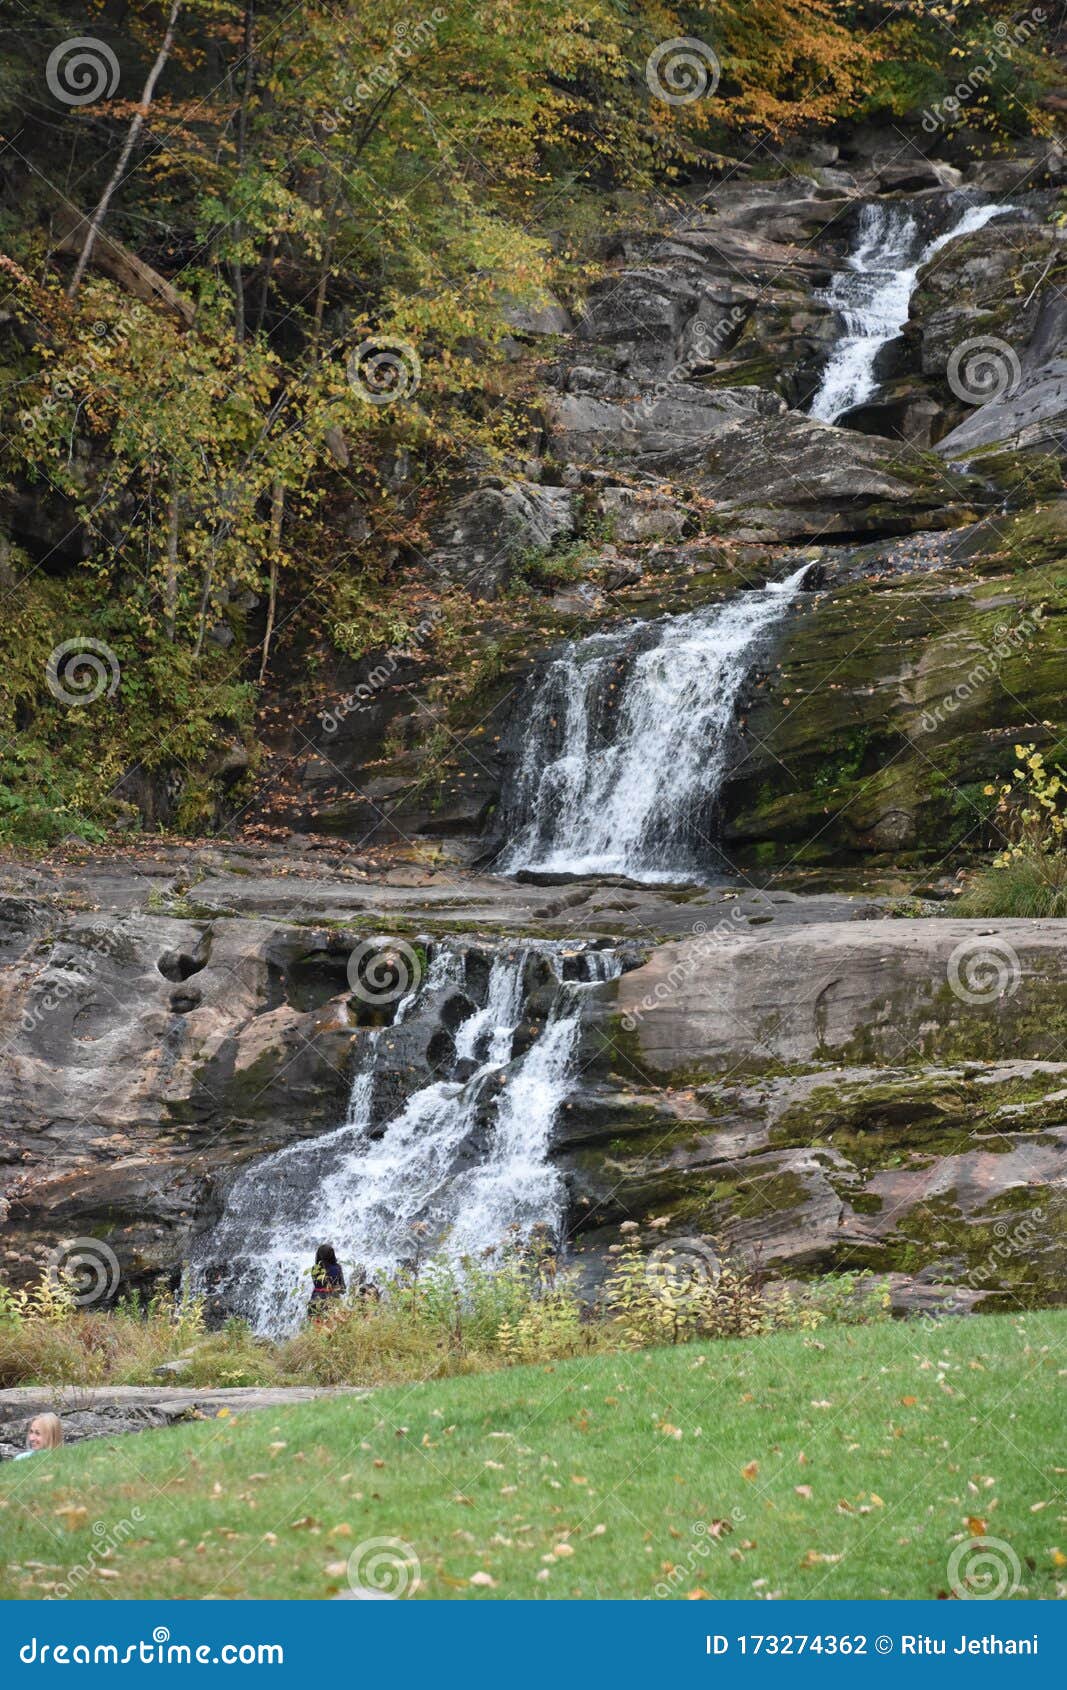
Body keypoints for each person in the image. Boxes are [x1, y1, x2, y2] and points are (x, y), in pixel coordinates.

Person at [307, 1243, 345, 1318]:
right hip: (332, 1302)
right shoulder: (338, 1268)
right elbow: (343, 1289)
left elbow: (317, 1285)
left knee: (316, 1327)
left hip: (315, 1301)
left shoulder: (315, 1269)